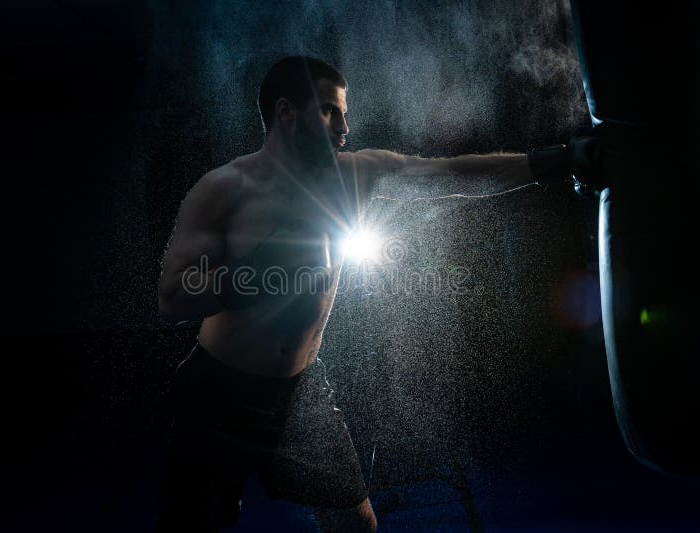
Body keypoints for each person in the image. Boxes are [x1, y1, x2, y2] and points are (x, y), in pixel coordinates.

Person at [156, 55, 584, 532]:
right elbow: (173, 295)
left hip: (300, 391)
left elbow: (455, 175)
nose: (344, 126)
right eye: (328, 111)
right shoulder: (223, 189)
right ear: (285, 113)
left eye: (344, 112)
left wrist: (557, 160)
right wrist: (253, 275)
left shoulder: (357, 175)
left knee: (356, 526)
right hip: (219, 394)